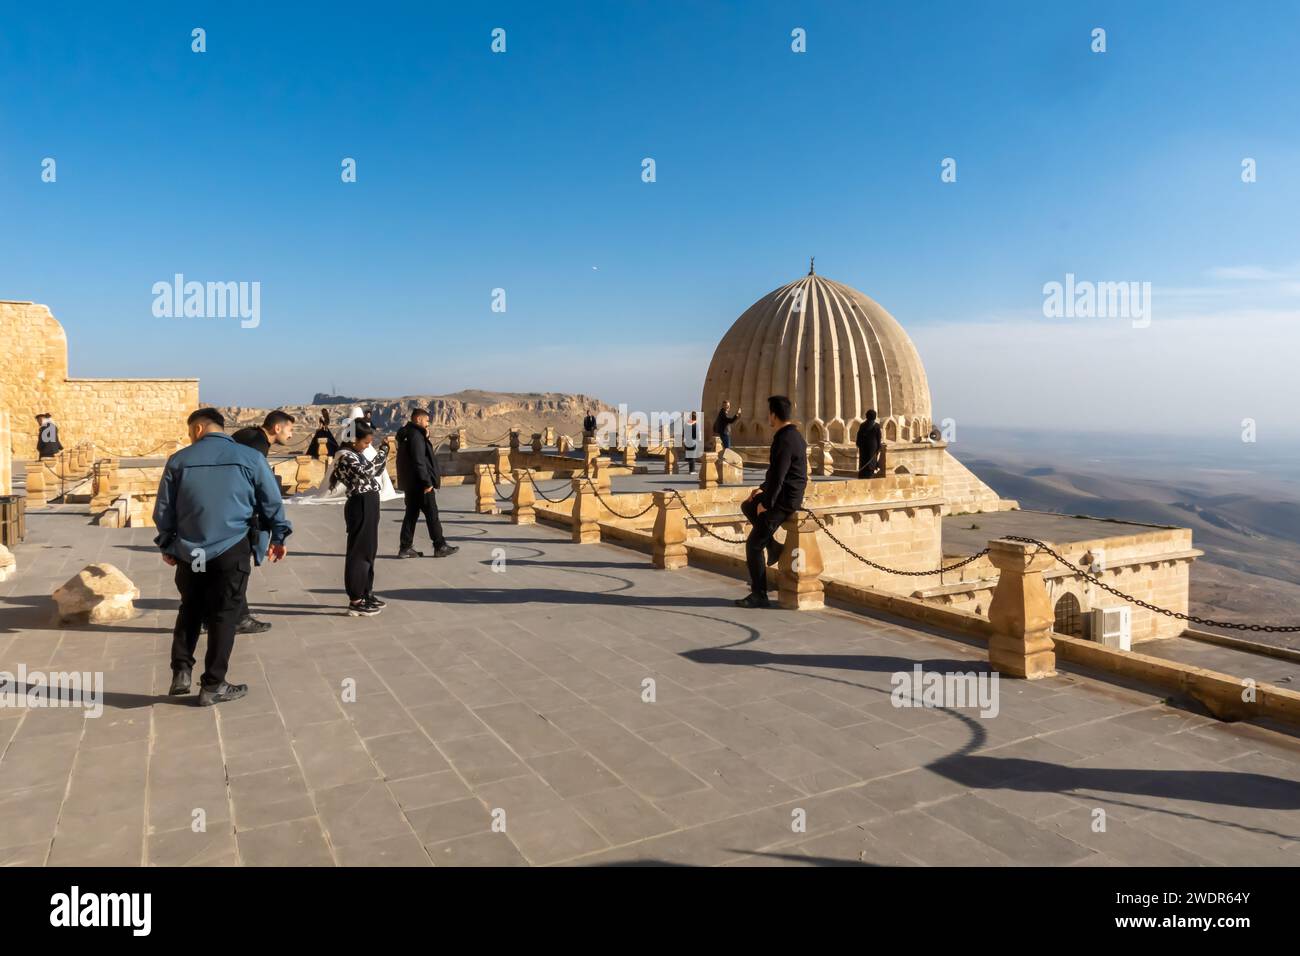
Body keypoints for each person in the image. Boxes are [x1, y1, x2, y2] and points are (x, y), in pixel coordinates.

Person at [154, 407, 291, 706]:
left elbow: (164, 508)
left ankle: (181, 670)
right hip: (231, 549)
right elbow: (271, 502)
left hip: (194, 553)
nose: (190, 437)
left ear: (199, 429)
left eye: (190, 431)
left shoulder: (178, 461)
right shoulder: (251, 458)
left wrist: (167, 543)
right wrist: (278, 536)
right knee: (224, 615)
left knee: (190, 608)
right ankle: (213, 684)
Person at [735, 395, 807, 609]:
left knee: (753, 546)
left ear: (774, 414)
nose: (768, 416)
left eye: (769, 413)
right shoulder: (793, 436)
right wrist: (761, 490)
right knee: (747, 505)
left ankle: (759, 594)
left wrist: (766, 502)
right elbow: (776, 473)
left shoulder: (784, 439)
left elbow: (780, 475)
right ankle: (774, 546)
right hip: (786, 494)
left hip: (785, 500)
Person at [228, 410, 296, 634]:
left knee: (224, 570)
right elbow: (262, 491)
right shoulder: (256, 447)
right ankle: (239, 618)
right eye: (290, 429)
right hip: (239, 514)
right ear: (277, 428)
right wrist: (276, 533)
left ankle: (219, 616)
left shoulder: (248, 435)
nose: (292, 435)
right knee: (238, 569)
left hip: (222, 509)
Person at [330, 419, 390, 616]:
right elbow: (366, 473)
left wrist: (383, 453)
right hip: (360, 503)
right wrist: (382, 453)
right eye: (365, 443)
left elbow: (377, 471)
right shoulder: (344, 456)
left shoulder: (356, 454)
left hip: (370, 501)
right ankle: (355, 599)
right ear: (353, 439)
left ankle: (366, 592)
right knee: (359, 552)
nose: (367, 447)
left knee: (370, 550)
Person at [395, 408, 458, 559]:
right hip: (420, 484)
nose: (428, 423)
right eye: (427, 421)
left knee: (411, 515)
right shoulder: (416, 436)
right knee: (432, 515)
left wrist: (426, 436)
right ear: (418, 420)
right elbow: (419, 461)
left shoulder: (407, 434)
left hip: (411, 483)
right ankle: (440, 546)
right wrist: (426, 482)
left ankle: (405, 547)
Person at [856, 409, 883, 478]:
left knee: (863, 461)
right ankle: (870, 475)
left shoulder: (862, 425)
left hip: (863, 446)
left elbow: (859, 436)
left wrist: (859, 444)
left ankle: (863, 475)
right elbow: (879, 437)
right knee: (872, 461)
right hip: (873, 447)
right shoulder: (876, 426)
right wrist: (879, 447)